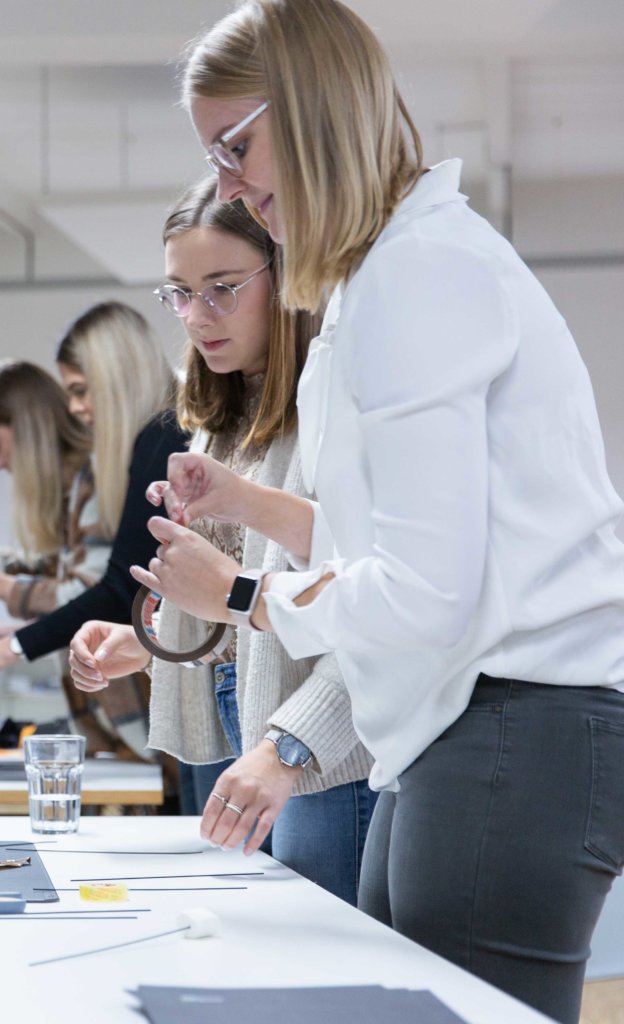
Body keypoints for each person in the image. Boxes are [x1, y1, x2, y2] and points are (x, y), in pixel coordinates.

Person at [136, 1, 624, 1018]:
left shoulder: (421, 274)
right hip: (458, 716)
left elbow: (422, 592)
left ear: (318, 109)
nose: (227, 183)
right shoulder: (374, 282)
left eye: (236, 145)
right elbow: (384, 543)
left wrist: (245, 594)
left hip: (517, 713)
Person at [67, 176, 376, 903]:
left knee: (320, 972)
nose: (197, 316)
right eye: (179, 292)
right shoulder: (215, 418)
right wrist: (144, 641)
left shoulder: (331, 409)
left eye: (222, 288)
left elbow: (365, 605)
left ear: (285, 279)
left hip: (319, 736)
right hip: (235, 709)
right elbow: (233, 603)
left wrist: (290, 745)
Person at [0, 304, 186, 706]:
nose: (74, 407)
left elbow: (118, 589)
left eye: (81, 390)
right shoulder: (150, 445)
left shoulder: (157, 443)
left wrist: (12, 643)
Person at [0, 360, 137, 755]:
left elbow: (91, 596)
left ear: (27, 429)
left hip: (145, 725)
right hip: (124, 732)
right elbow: (56, 570)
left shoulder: (97, 483)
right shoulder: (74, 495)